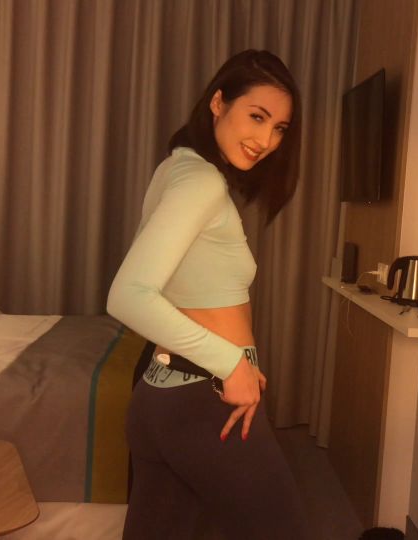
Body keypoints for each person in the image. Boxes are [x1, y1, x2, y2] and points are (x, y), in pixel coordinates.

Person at [107, 49, 310, 539]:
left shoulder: (178, 168)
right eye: (257, 116)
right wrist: (231, 363)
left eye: (279, 128)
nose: (266, 140)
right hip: (204, 399)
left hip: (165, 394)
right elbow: (128, 295)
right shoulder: (199, 181)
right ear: (218, 103)